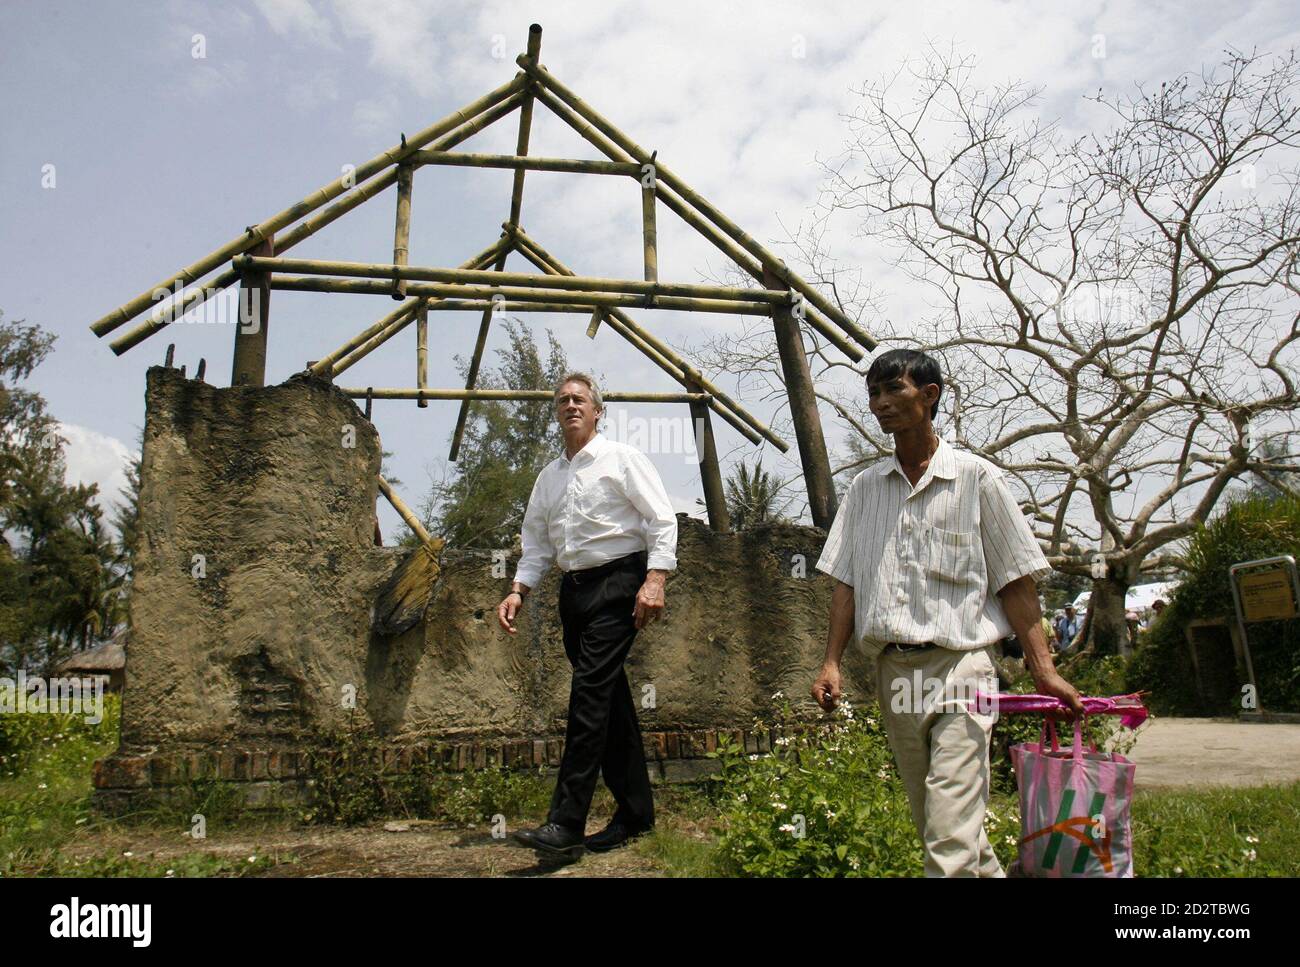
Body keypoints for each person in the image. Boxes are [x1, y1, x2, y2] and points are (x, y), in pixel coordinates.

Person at [811, 348, 1083, 877]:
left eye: (895, 390)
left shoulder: (977, 479)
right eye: (874, 393)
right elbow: (845, 583)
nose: (881, 403)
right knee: (946, 828)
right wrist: (831, 663)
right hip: (895, 672)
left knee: (948, 836)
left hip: (962, 667)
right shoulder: (866, 490)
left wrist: (1043, 670)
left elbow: (1016, 582)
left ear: (930, 396)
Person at [498, 373, 677, 857]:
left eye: (579, 399)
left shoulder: (623, 459)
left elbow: (661, 519)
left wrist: (655, 579)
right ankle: (636, 814)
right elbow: (535, 542)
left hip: (620, 583)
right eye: (563, 400)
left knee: (587, 696)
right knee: (609, 703)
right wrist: (518, 590)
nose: (571, 405)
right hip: (573, 593)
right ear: (556, 412)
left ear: (598, 410)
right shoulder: (549, 477)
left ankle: (566, 823)